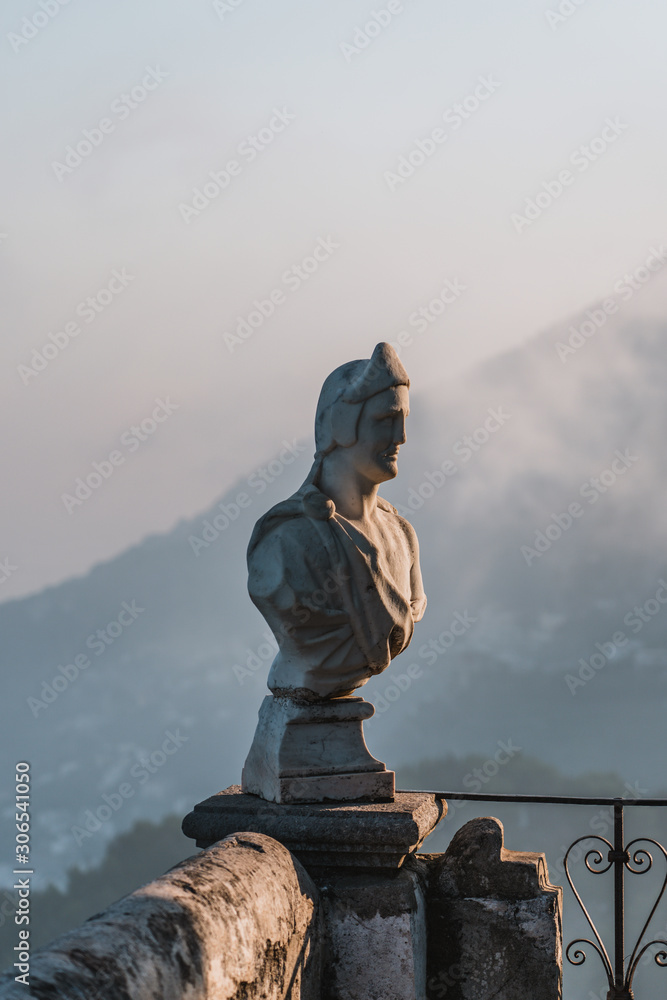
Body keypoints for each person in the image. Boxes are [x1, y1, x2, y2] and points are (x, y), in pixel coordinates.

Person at [247, 342, 426, 701]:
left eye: (404, 420)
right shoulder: (284, 542)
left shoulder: (402, 535)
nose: (401, 437)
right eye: (386, 420)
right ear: (342, 428)